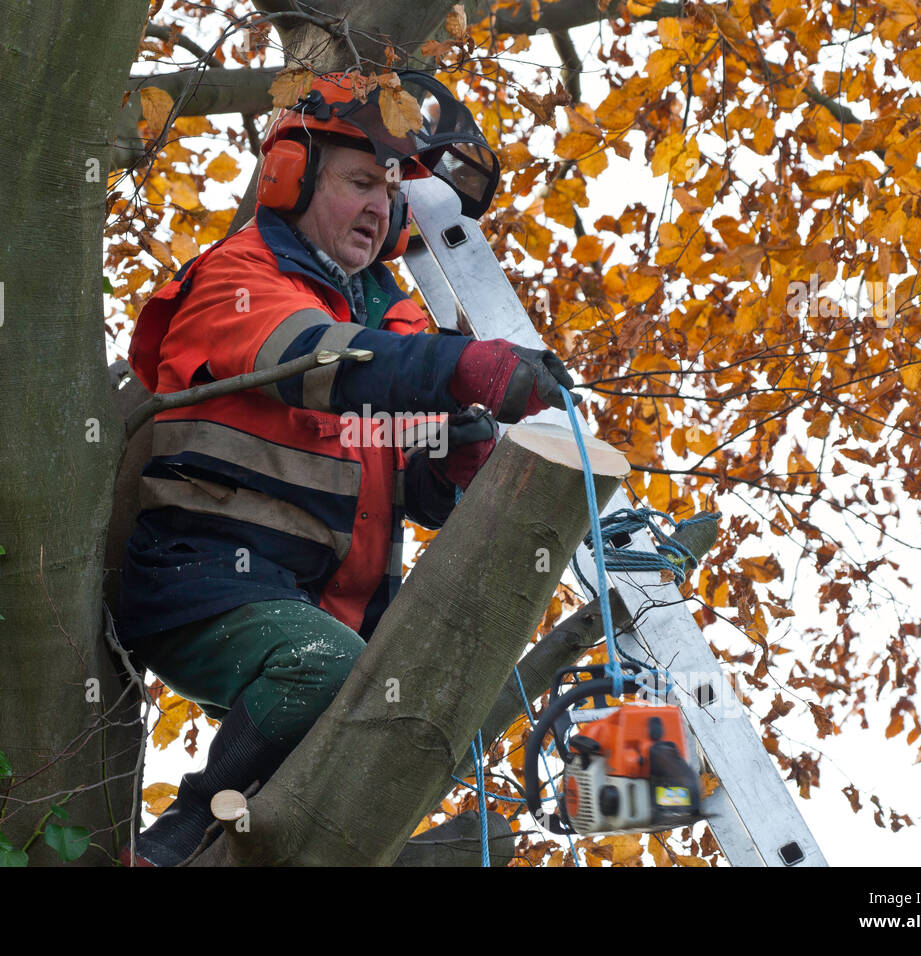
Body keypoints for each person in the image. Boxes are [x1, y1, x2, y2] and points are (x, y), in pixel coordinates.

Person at [117, 70, 579, 866]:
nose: (379, 206)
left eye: (390, 190)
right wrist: (461, 366)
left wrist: (453, 452)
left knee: (377, 722)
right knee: (324, 669)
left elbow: (410, 467)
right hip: (197, 580)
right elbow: (318, 364)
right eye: (361, 181)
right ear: (291, 178)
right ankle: (179, 839)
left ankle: (245, 835)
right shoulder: (238, 277)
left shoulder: (386, 313)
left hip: (326, 612)